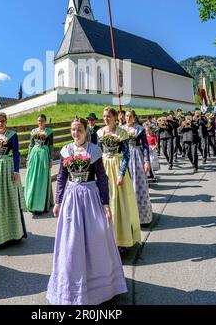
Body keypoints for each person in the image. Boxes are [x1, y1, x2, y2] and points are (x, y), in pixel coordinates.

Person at [47, 117, 127, 305]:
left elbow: (101, 178)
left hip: (90, 196)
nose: (76, 133)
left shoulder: (95, 151)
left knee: (95, 238)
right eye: (73, 130)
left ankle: (99, 288)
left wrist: (106, 204)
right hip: (72, 198)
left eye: (80, 130)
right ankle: (72, 287)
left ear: (86, 131)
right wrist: (57, 201)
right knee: (72, 241)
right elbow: (61, 177)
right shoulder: (66, 150)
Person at [97, 108, 141, 249]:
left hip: (117, 167)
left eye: (108, 116)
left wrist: (121, 173)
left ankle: (121, 240)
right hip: (104, 167)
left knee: (119, 203)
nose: (106, 119)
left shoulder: (122, 133)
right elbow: (98, 153)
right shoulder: (100, 132)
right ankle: (105, 240)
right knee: (104, 201)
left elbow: (126, 155)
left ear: (115, 117)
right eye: (104, 117)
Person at [0, 112, 27, 248]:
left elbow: (16, 153)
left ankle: (13, 234)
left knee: (10, 198)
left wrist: (16, 170)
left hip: (7, 168)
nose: (1, 123)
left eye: (3, 120)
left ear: (6, 121)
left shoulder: (12, 135)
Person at [124, 110, 153, 225]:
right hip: (124, 157)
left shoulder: (139, 129)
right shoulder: (120, 129)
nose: (128, 118)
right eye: (126, 116)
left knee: (139, 185)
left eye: (130, 116)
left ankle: (143, 218)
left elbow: (145, 146)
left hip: (136, 156)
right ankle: (128, 219)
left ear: (134, 117)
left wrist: (146, 161)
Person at [24, 114, 54, 213]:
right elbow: (30, 145)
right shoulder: (33, 131)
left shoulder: (49, 132)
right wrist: (28, 158)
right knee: (33, 177)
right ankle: (32, 203)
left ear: (45, 121)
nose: (40, 122)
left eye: (42, 120)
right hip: (34, 155)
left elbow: (50, 146)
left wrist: (50, 159)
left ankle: (43, 204)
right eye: (38, 120)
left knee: (43, 178)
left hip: (44, 155)